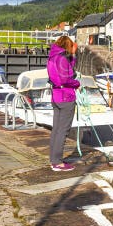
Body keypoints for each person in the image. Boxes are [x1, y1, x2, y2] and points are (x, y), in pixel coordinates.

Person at [47, 35, 80, 172]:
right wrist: (77, 83)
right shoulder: (62, 59)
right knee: (63, 130)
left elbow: (64, 73)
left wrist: (72, 56)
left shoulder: (53, 57)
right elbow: (66, 78)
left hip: (56, 96)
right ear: (68, 45)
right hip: (66, 97)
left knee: (56, 129)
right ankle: (58, 162)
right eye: (72, 45)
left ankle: (54, 159)